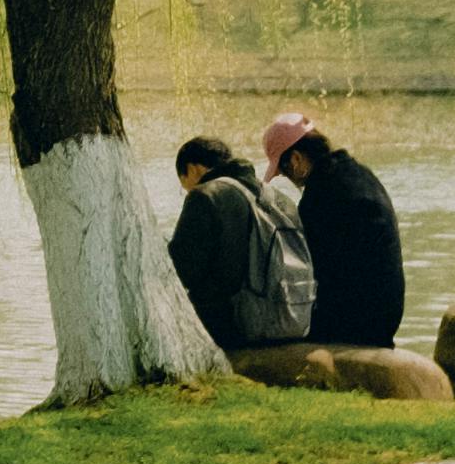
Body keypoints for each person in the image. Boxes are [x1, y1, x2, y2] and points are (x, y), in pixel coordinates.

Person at [166, 133, 312, 359]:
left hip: (235, 328)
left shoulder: (205, 195)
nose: (186, 190)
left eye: (183, 183)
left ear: (193, 169)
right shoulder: (280, 198)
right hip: (292, 317)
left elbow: (180, 271)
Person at [277, 121, 406, 350]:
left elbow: (309, 268)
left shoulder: (319, 195)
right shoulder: (358, 173)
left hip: (354, 324)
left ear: (296, 159)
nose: (288, 179)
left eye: (284, 171)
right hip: (386, 316)